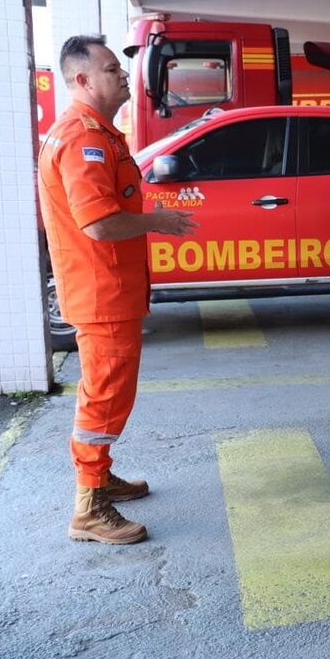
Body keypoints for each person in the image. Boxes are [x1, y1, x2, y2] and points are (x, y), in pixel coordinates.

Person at [38, 35, 197, 544]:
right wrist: (160, 221)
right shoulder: (83, 139)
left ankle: (99, 477)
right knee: (104, 399)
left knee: (108, 394)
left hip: (107, 290)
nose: (124, 75)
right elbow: (100, 224)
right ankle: (89, 507)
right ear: (81, 80)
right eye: (112, 69)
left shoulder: (100, 134)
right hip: (101, 292)